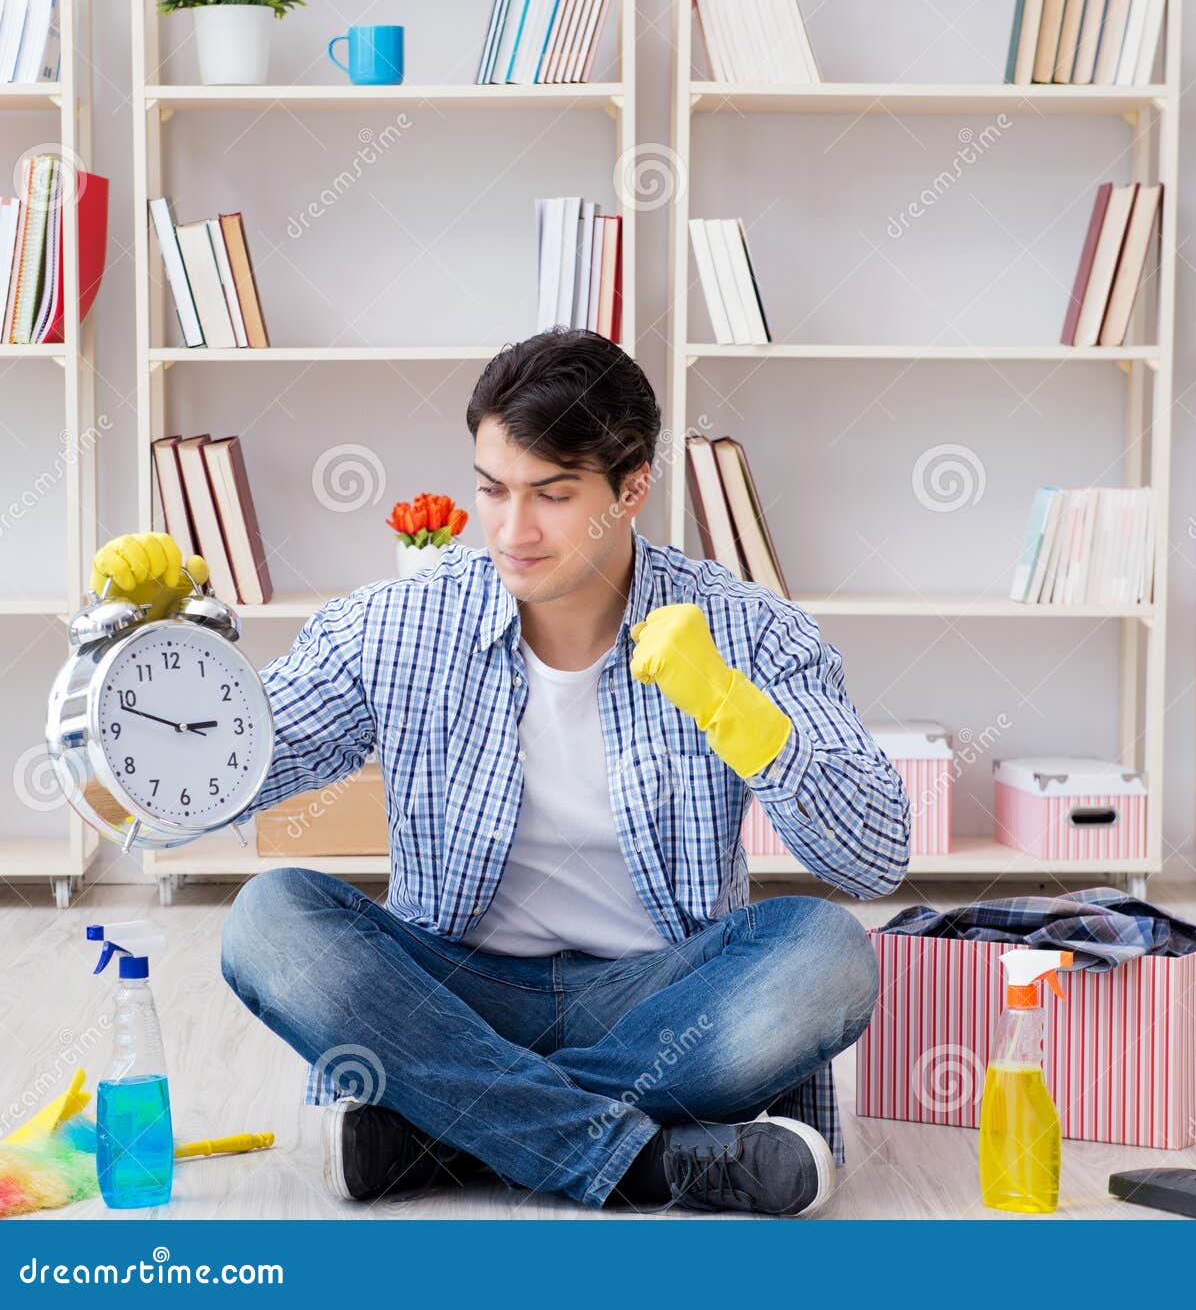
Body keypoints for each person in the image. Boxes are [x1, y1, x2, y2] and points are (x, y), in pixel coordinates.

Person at [91, 329, 911, 1217]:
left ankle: (443, 1131)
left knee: (827, 954)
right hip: (456, 995)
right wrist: (145, 673)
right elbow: (230, 774)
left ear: (633, 487)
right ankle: (646, 1163)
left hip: (661, 998)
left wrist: (734, 708)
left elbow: (873, 856)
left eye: (552, 495)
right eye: (492, 490)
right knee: (269, 921)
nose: (512, 531)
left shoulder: (747, 628)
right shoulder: (399, 622)